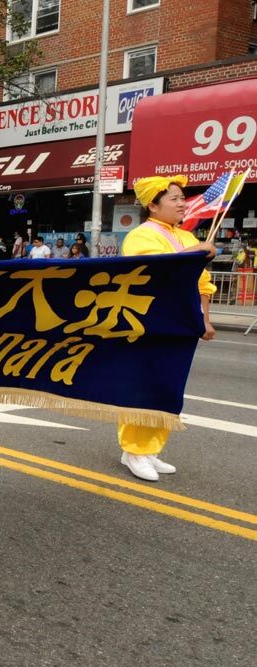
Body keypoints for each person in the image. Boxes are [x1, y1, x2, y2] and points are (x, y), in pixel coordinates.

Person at [117, 175, 217, 483]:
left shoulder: (186, 238)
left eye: (182, 198)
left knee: (169, 388)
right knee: (143, 384)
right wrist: (197, 252)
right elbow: (156, 268)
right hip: (149, 323)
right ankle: (133, 450)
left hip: (182, 323)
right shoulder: (141, 236)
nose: (181, 203)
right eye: (174, 198)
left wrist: (205, 318)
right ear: (153, 205)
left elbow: (203, 283)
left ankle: (150, 448)